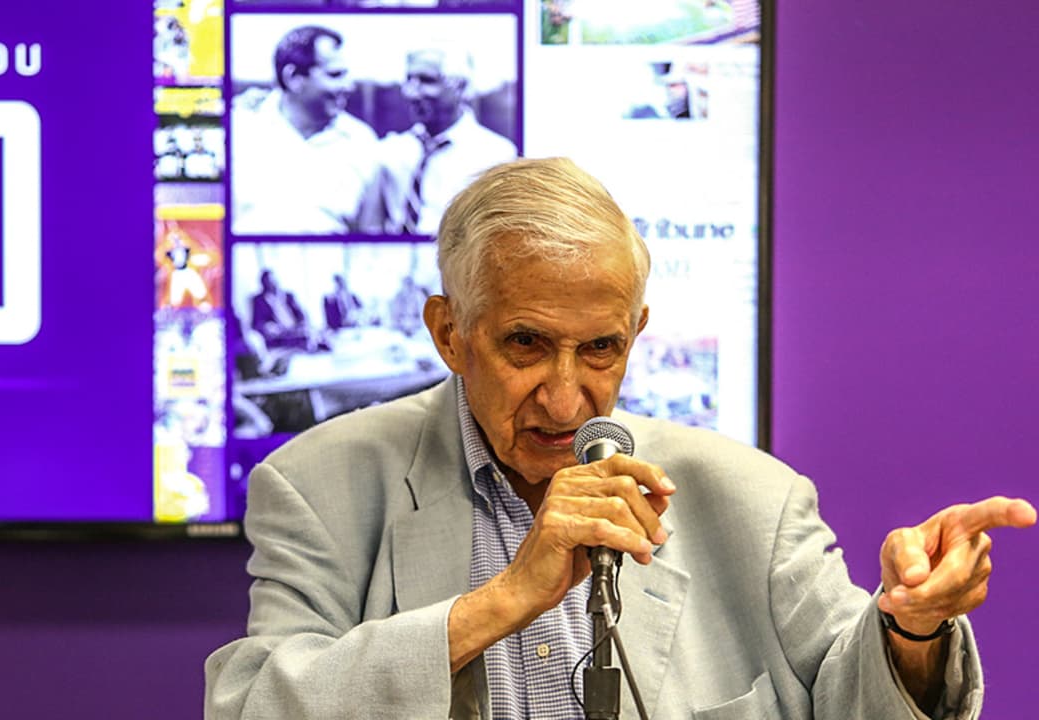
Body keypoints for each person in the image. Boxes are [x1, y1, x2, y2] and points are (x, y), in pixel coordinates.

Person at [205, 158, 1034, 718]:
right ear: (450, 333)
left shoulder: (752, 496)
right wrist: (500, 601)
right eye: (525, 344)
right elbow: (251, 704)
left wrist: (912, 629)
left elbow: (848, 696)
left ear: (635, 332)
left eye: (600, 348)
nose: (566, 398)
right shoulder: (319, 485)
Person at [230, 25, 383, 234]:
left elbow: (371, 239)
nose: (349, 86)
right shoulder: (240, 129)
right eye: (335, 75)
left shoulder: (362, 142)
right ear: (293, 78)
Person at [379, 47, 518, 236]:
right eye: (409, 80)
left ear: (459, 86)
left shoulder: (496, 156)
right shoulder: (391, 152)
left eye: (427, 81)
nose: (411, 93)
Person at [248, 269, 310, 350]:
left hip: (296, 330)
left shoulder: (288, 296)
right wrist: (268, 327)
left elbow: (301, 314)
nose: (272, 284)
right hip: (278, 335)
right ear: (263, 284)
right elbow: (257, 322)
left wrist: (302, 324)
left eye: (274, 281)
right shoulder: (259, 300)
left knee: (308, 335)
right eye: (269, 282)